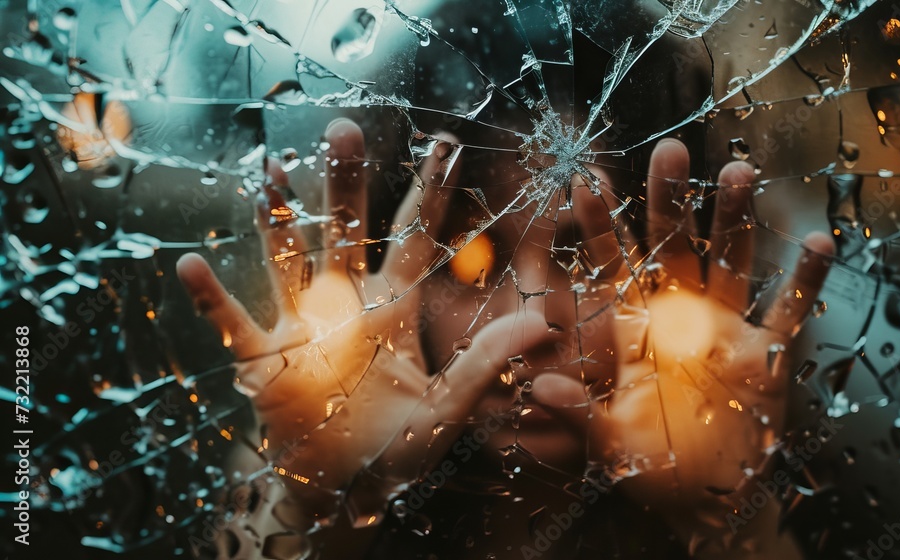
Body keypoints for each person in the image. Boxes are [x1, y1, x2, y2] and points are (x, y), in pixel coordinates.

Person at [175, 115, 834, 558]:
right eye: (470, 260)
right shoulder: (279, 481)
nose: (536, 323)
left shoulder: (829, 494)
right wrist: (323, 514)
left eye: (581, 259)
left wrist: (733, 523)